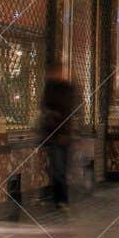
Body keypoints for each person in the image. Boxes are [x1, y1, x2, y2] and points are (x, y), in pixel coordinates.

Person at [40, 73, 77, 209]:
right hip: (53, 134)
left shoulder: (66, 89)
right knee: (56, 167)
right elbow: (44, 106)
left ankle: (61, 199)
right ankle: (59, 198)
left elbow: (69, 113)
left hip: (61, 136)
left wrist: (65, 133)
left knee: (59, 168)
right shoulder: (51, 87)